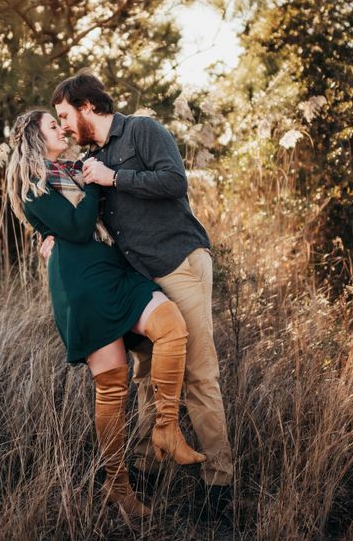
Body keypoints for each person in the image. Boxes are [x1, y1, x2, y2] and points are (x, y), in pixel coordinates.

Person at [4, 109, 206, 521]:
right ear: (33, 137)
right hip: (81, 285)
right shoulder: (32, 185)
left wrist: (95, 178)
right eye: (51, 125)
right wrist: (91, 185)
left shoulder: (74, 169)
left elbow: (100, 210)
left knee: (171, 327)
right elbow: (77, 229)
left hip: (115, 270)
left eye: (61, 121)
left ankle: (166, 427)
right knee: (112, 387)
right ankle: (117, 485)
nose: (61, 128)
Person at [43, 70, 235, 501]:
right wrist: (51, 232)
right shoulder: (94, 157)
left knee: (199, 375)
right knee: (147, 374)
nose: (65, 126)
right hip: (140, 280)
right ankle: (148, 466)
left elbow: (173, 181)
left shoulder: (142, 131)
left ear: (88, 106)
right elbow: (80, 216)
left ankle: (221, 484)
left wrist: (115, 178)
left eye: (65, 115)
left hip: (178, 263)